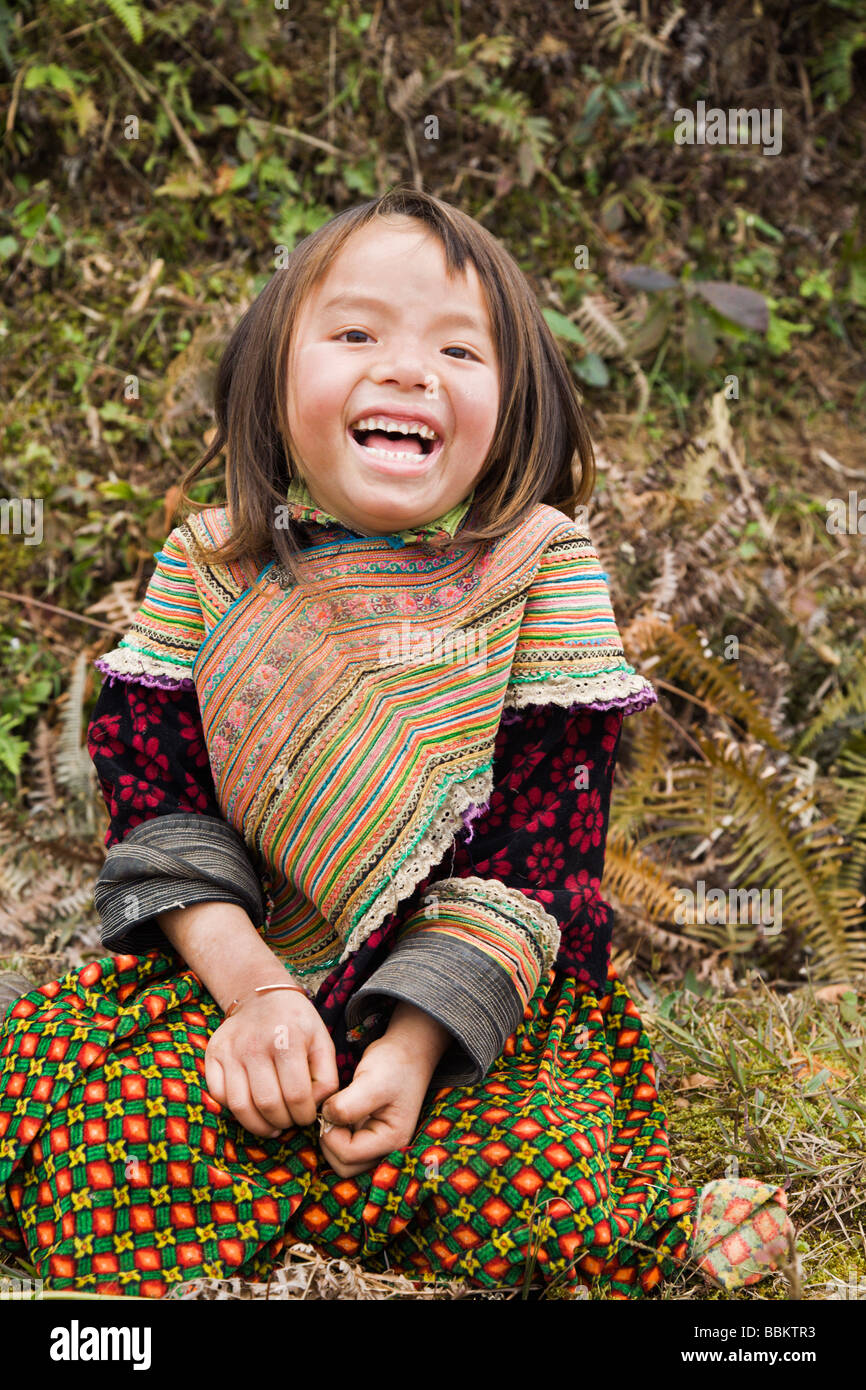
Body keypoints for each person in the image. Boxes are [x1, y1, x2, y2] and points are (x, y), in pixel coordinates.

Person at [0, 188, 793, 1299]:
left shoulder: (540, 566)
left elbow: (540, 847)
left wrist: (413, 1045)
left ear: (515, 409)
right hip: (242, 973)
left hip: (469, 1009)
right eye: (357, 333)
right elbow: (154, 799)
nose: (408, 369)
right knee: (109, 1137)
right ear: (273, 388)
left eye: (458, 349)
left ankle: (546, 1217)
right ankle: (306, 1196)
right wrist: (257, 1000)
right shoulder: (209, 568)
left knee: (541, 1175)